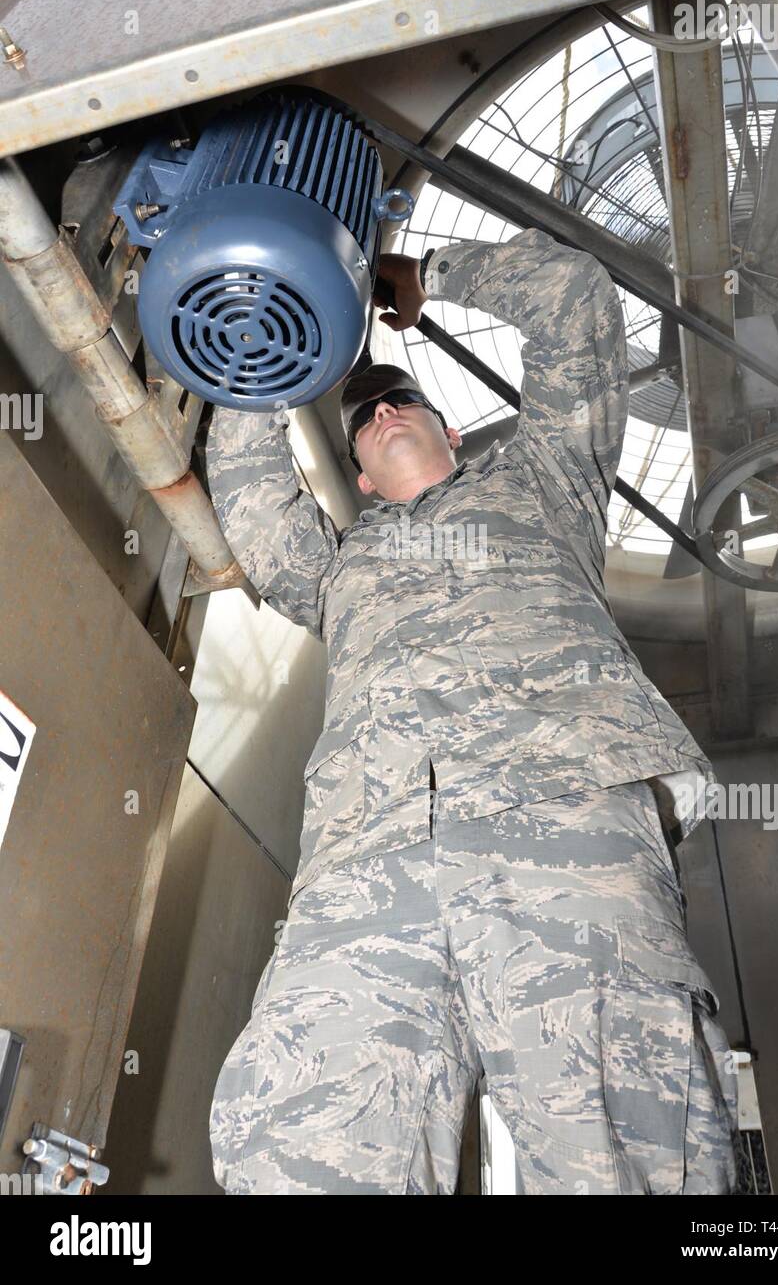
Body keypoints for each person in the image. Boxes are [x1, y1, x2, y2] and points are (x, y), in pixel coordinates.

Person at [206, 227, 739, 1195]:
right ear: (358, 477)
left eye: (406, 398)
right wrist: (294, 335)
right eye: (365, 415)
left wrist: (423, 277)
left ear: (452, 431)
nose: (386, 411)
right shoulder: (336, 567)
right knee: (302, 1122)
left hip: (567, 820)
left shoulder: (547, 484)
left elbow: (574, 305)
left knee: (618, 1126)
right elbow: (245, 487)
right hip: (367, 852)